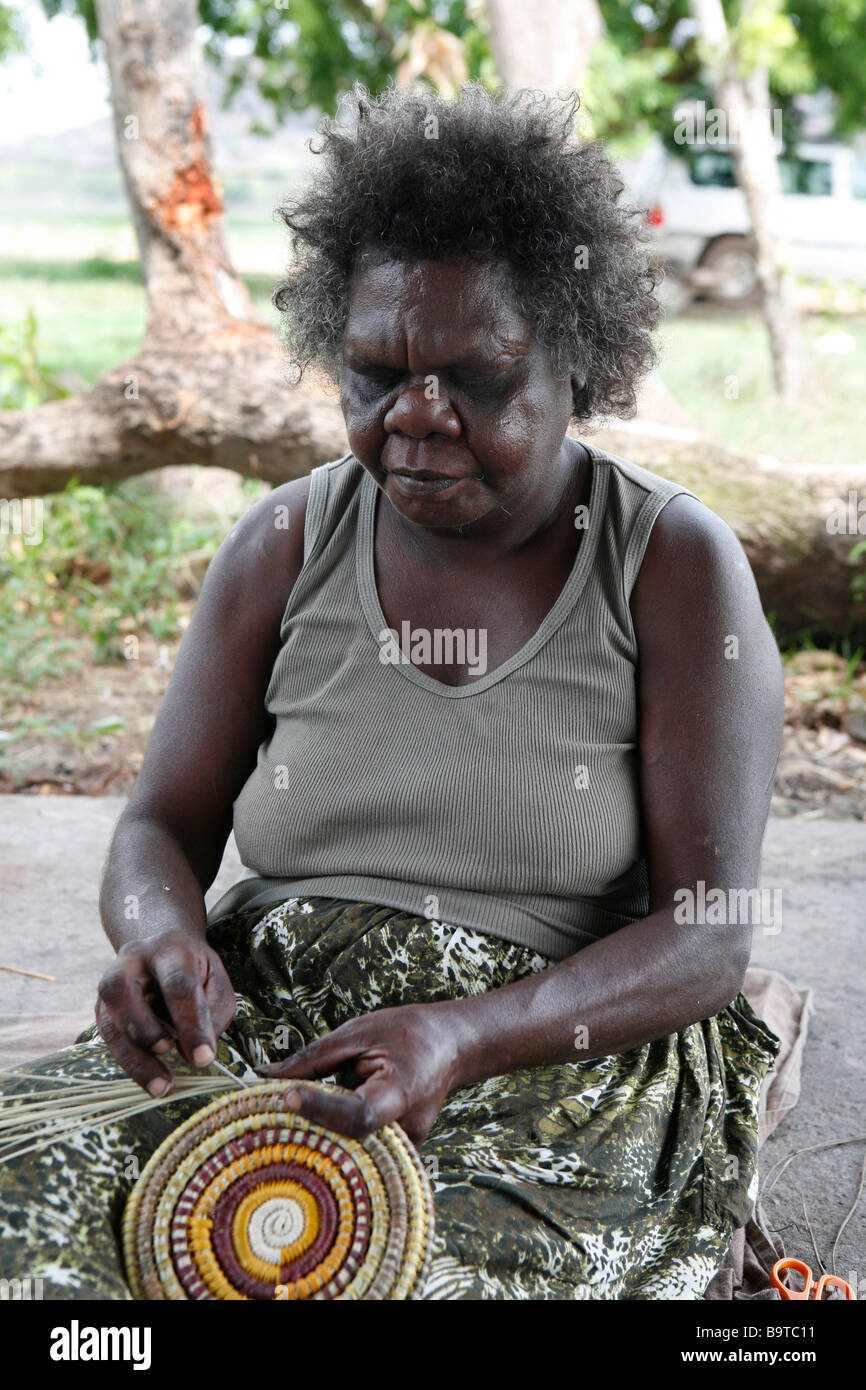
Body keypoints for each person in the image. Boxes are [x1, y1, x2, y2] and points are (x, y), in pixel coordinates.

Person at [0, 82, 782, 1300]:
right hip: (271, 1035)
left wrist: (462, 1035)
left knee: (404, 1281)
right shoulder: (285, 542)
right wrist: (162, 937)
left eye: (473, 375)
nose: (414, 416)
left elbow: (708, 934)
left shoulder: (670, 566)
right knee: (44, 1242)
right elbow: (159, 826)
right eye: (374, 372)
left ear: (573, 354)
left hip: (548, 1057)